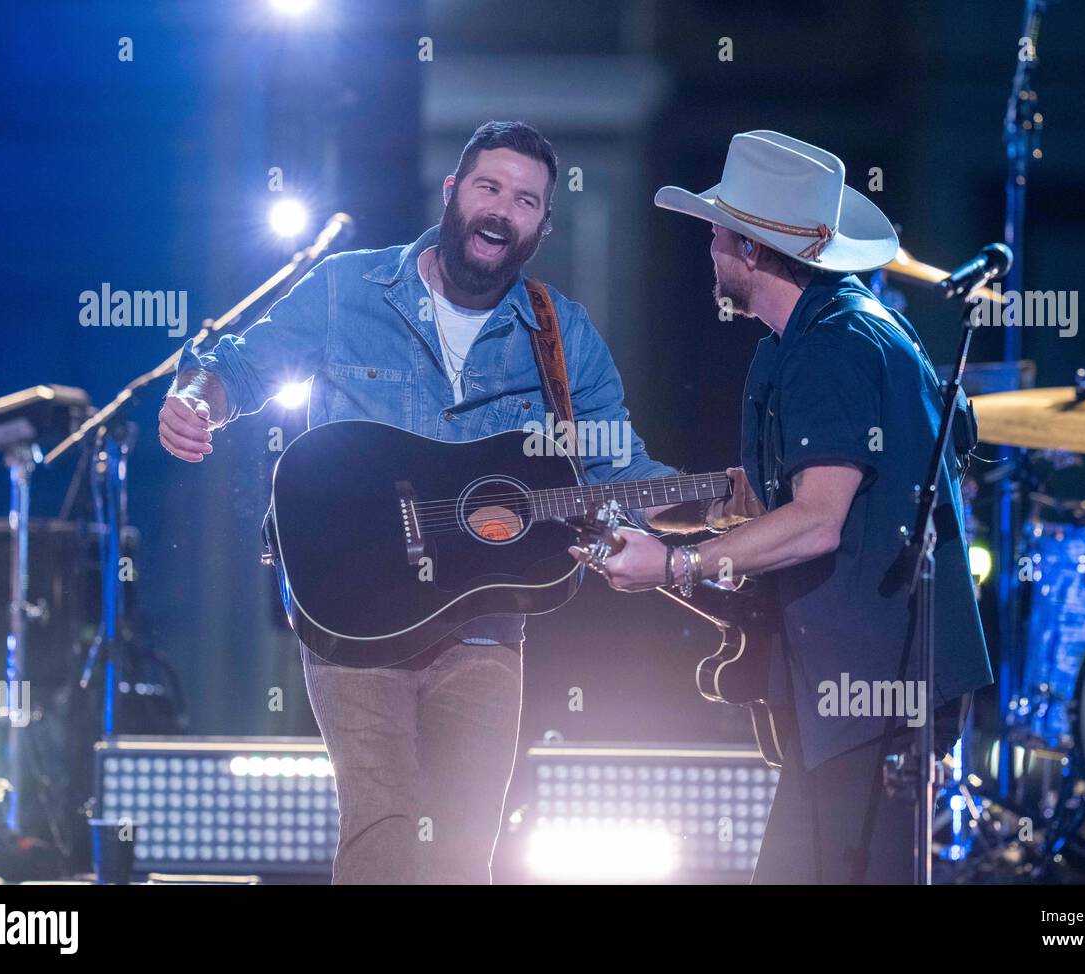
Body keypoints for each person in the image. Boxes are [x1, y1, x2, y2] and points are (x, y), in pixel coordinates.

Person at [158, 121, 740, 883]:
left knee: (465, 852)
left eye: (525, 200)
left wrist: (725, 504)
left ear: (543, 226)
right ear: (452, 193)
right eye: (488, 187)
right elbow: (236, 365)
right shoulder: (346, 288)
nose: (501, 209)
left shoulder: (562, 335)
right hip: (354, 614)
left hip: (485, 627)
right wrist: (196, 401)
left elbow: (619, 472)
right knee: (385, 830)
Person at [576, 130, 994, 883]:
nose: (707, 243)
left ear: (754, 250)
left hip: (872, 686)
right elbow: (778, 496)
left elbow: (817, 518)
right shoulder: (825, 332)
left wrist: (677, 565)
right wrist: (663, 506)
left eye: (719, 230)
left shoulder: (832, 346)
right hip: (857, 687)